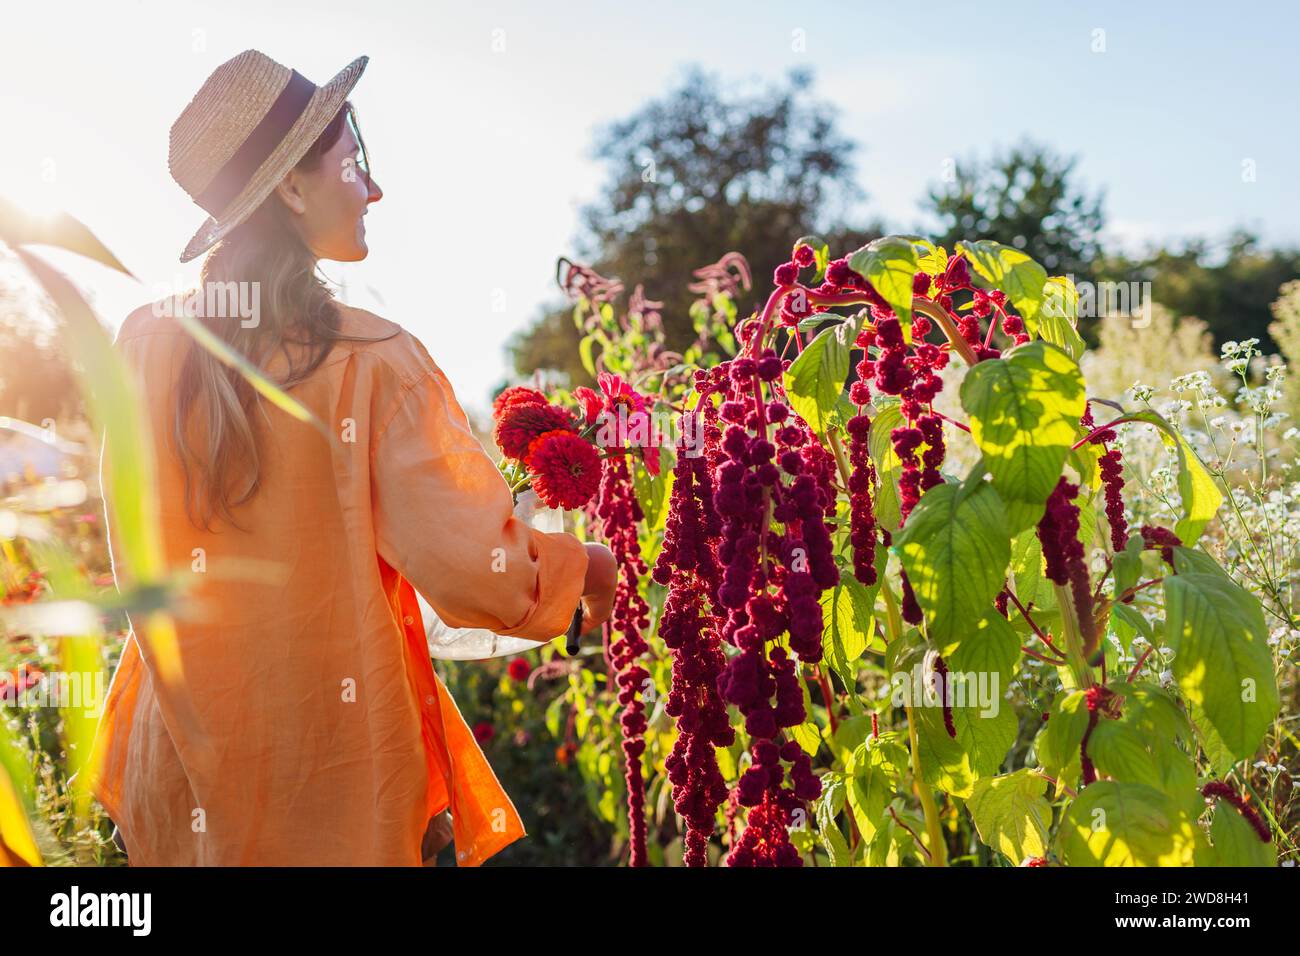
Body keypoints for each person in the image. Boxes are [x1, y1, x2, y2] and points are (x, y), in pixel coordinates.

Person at [86, 49, 617, 866]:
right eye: (355, 162)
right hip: (330, 789)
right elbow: (478, 574)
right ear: (292, 190)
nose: (373, 189)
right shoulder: (374, 362)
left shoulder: (145, 347)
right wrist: (588, 567)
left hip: (179, 768)